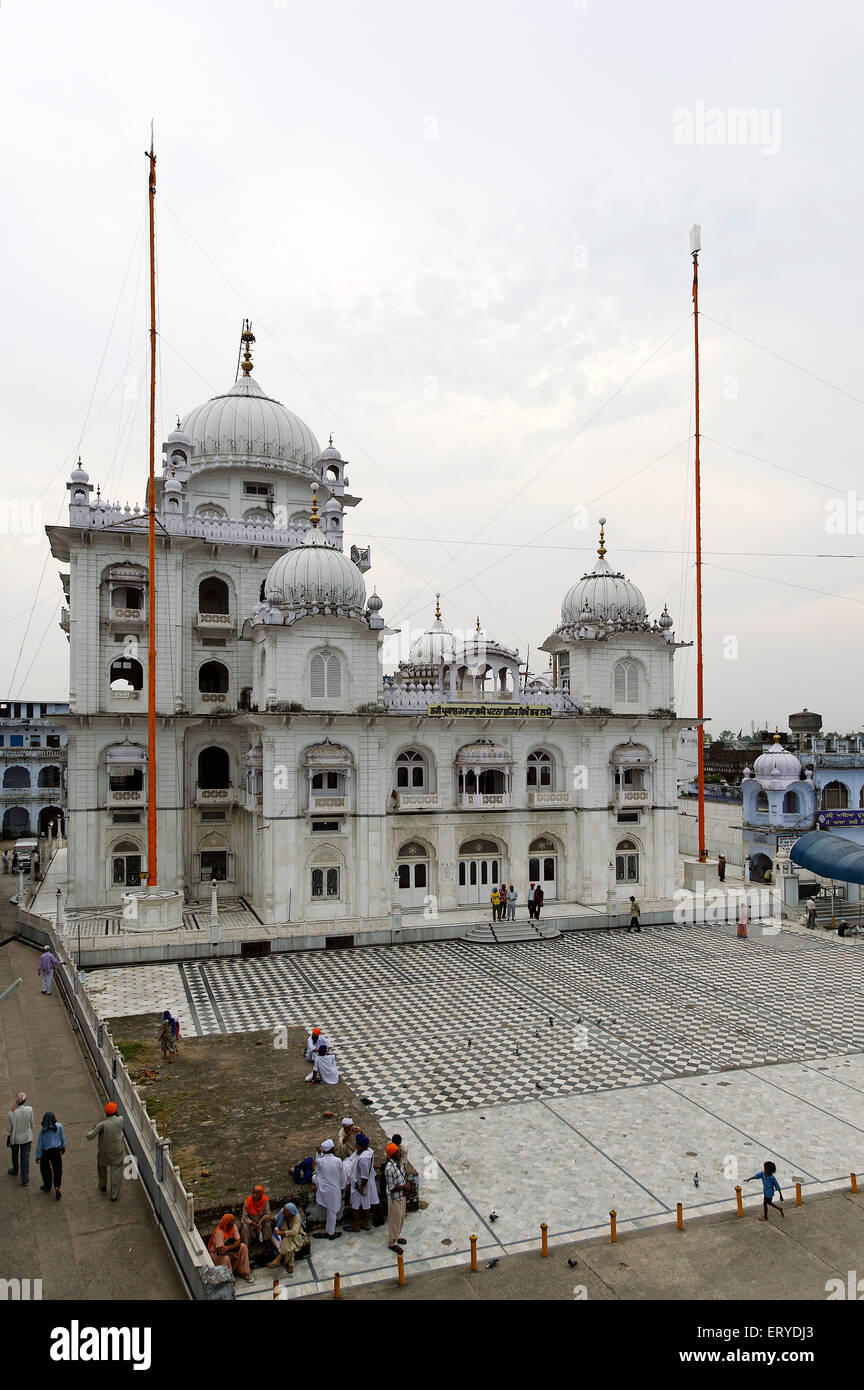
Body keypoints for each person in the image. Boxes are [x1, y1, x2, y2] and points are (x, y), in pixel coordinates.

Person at [86, 1101, 125, 1200]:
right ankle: (114, 1195)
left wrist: (93, 1128)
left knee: (101, 1167)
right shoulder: (120, 1120)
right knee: (116, 1172)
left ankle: (102, 1185)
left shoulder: (102, 1124)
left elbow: (90, 1136)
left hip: (104, 1152)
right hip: (117, 1151)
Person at [311, 1139, 345, 1240]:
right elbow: (342, 1176)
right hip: (334, 1189)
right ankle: (331, 1233)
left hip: (324, 1189)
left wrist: (318, 1152)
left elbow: (318, 1161)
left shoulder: (320, 1161)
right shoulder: (338, 1161)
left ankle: (329, 1231)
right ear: (332, 1149)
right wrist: (342, 1186)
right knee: (332, 1212)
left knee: (330, 1210)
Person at [208, 1213, 253, 1281]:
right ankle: (228, 1278)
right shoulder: (219, 1232)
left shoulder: (233, 1226)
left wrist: (228, 1248)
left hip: (229, 1250)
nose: (233, 1224)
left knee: (243, 1247)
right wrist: (232, 1254)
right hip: (217, 1255)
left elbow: (238, 1241)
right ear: (227, 1224)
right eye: (231, 1222)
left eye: (233, 1222)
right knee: (225, 1258)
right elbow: (220, 1251)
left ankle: (243, 1272)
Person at [267, 1202, 309, 1274]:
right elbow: (276, 1219)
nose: (284, 1214)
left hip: (298, 1237)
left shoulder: (296, 1217)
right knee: (290, 1245)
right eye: (284, 1211)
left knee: (288, 1239)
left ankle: (279, 1257)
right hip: (287, 1237)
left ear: (291, 1213)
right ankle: (290, 1265)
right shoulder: (282, 1212)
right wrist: (269, 1218)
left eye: (286, 1212)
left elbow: (294, 1232)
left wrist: (281, 1233)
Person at [350, 1133, 379, 1232]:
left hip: (361, 1183)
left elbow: (364, 1176)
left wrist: (361, 1187)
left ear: (359, 1146)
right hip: (367, 1182)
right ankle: (365, 1223)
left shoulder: (363, 1160)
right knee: (366, 1203)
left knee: (355, 1204)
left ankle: (356, 1225)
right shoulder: (369, 1151)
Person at [383, 1142, 409, 1252]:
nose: (399, 1153)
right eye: (397, 1152)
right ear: (393, 1154)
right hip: (395, 1198)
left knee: (401, 1218)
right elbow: (392, 1186)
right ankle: (392, 1242)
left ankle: (397, 1237)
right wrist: (404, 1186)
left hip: (402, 1195)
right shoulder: (389, 1168)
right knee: (395, 1220)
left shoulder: (400, 1163)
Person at [6, 1092, 35, 1187]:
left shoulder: (11, 1113)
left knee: (14, 1155)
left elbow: (9, 1129)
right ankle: (25, 1179)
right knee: (25, 1158)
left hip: (15, 1139)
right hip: (27, 1138)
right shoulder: (29, 1110)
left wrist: (8, 1139)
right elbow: (32, 1123)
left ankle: (15, 1170)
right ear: (25, 1101)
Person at [35, 1111, 65, 1200]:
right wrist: (63, 1146)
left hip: (46, 1152)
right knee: (57, 1169)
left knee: (45, 1169)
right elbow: (62, 1137)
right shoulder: (59, 1127)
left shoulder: (42, 1131)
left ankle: (47, 1186)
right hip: (56, 1151)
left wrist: (38, 1156)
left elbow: (40, 1144)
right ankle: (57, 1186)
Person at [239, 1185, 273, 1251]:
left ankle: (267, 1240)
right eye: (253, 1193)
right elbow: (245, 1217)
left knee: (268, 1222)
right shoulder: (247, 1202)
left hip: (261, 1223)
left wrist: (260, 1222)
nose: (254, 1195)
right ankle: (246, 1245)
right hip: (251, 1224)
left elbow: (267, 1214)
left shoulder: (265, 1201)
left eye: (257, 1194)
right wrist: (254, 1224)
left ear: (261, 1195)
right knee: (245, 1226)